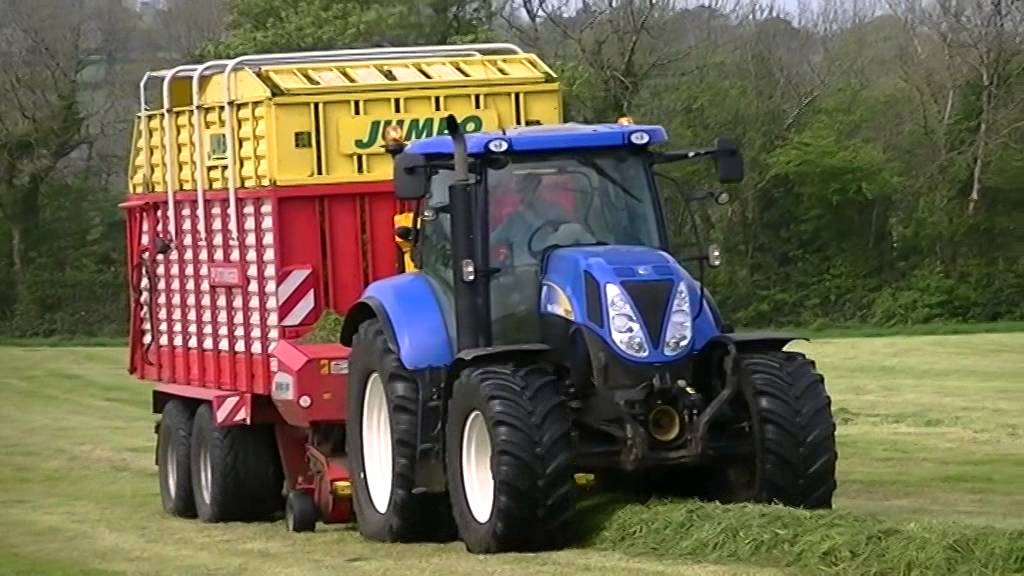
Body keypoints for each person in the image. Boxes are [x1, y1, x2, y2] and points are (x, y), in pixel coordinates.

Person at [490, 172, 596, 265]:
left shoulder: (556, 211)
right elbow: (491, 241)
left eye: (529, 189)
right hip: (523, 273)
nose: (524, 194)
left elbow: (575, 234)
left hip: (554, 268)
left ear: (538, 188)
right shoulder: (513, 220)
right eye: (521, 191)